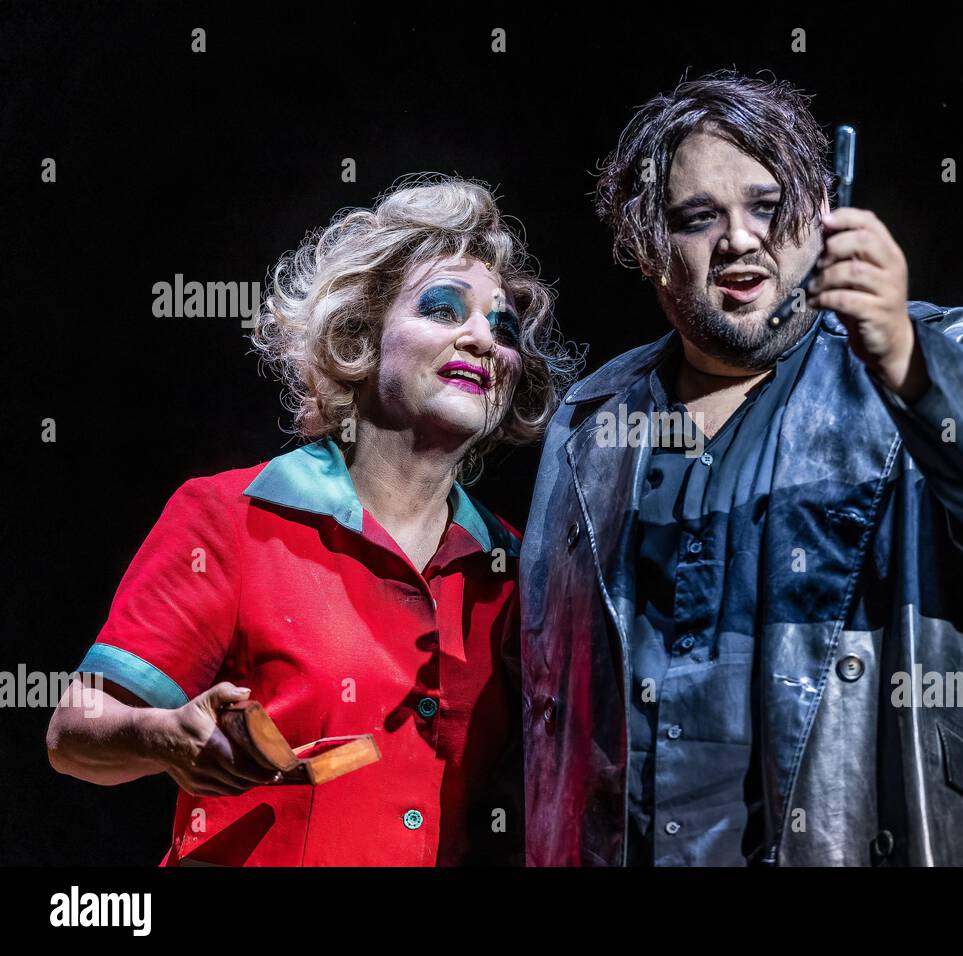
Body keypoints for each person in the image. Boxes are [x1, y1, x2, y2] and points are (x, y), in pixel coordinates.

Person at [519, 72, 963, 866]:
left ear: (822, 214)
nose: (739, 239)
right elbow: (557, 714)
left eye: (765, 206)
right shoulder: (591, 422)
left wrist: (904, 355)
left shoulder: (932, 357)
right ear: (649, 249)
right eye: (697, 218)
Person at [47, 175, 574, 865]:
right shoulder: (232, 518)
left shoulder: (514, 569)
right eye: (444, 309)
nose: (482, 338)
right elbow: (73, 732)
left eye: (502, 328)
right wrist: (166, 738)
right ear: (359, 337)